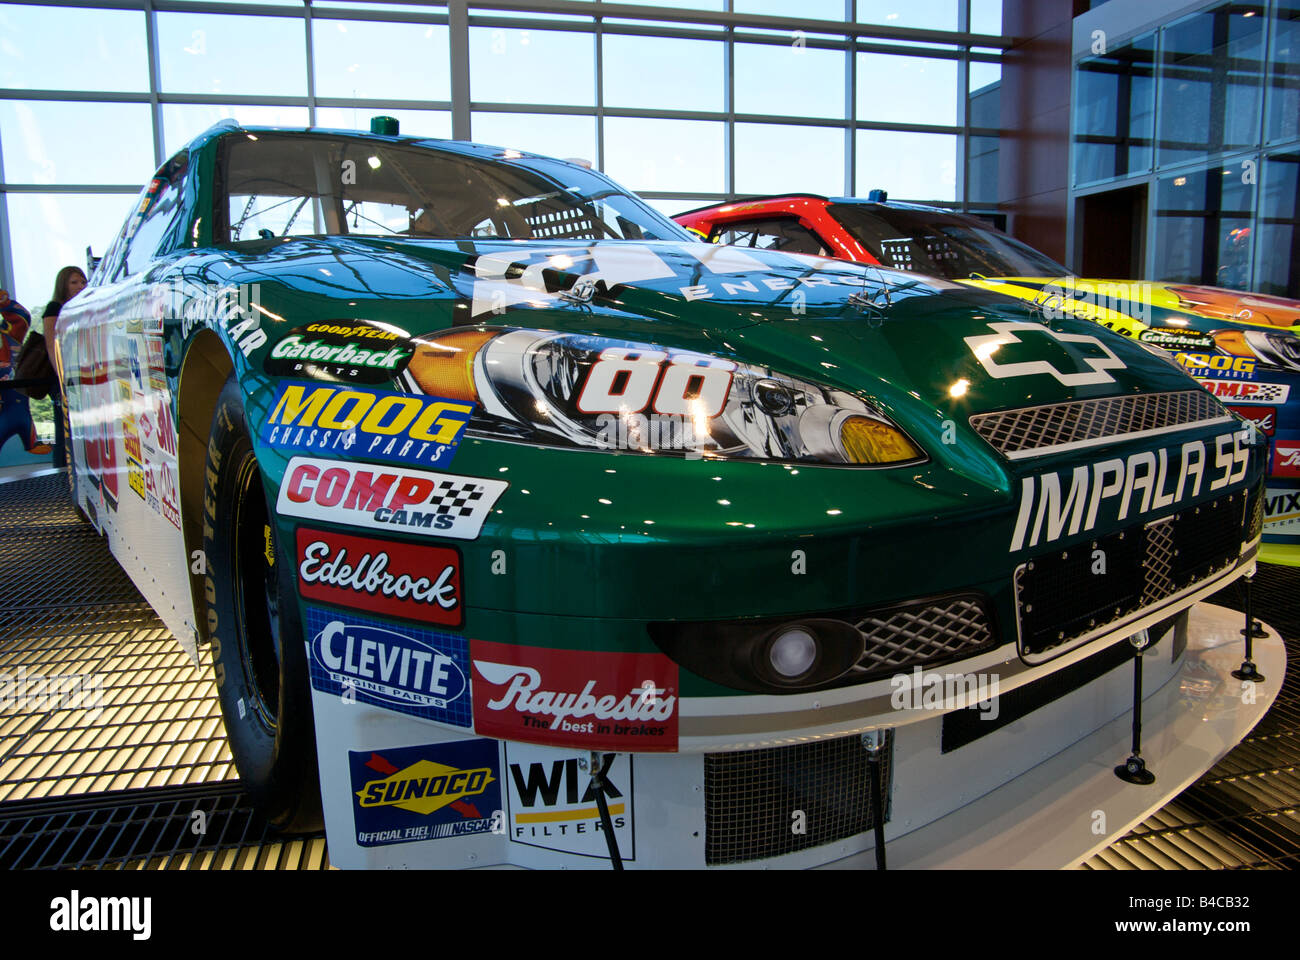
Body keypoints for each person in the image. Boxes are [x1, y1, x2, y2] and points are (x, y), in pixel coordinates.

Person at [42, 266, 88, 467]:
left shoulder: (86, 308)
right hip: (64, 375)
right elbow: (52, 345)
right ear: (63, 285)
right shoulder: (54, 308)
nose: (79, 286)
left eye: (82, 281)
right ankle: (62, 473)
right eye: (74, 282)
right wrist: (61, 377)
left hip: (83, 374)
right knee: (64, 428)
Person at [0, 289, 52, 457]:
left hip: (20, 405)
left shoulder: (9, 335)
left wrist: (5, 303)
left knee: (20, 413)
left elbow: (23, 318)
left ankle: (30, 439)